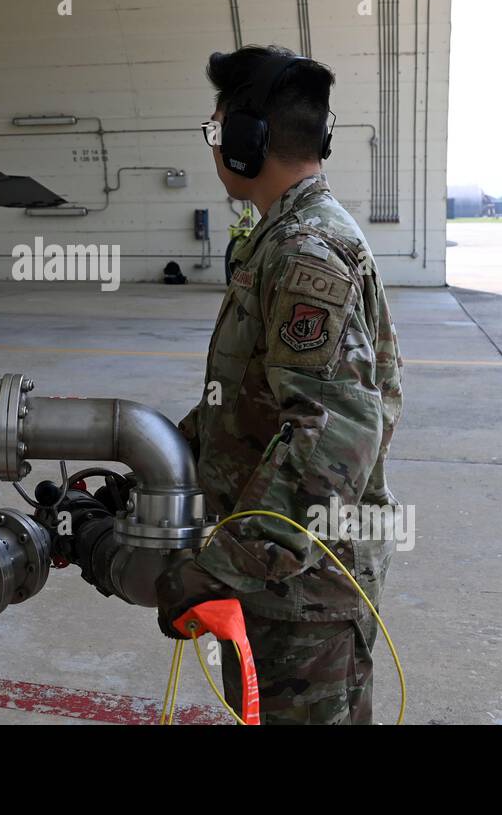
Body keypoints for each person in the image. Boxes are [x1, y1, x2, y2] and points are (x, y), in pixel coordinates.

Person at [155, 45, 404, 725]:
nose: (216, 146)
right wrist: (157, 464)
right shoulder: (283, 237)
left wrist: (222, 566)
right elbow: (247, 406)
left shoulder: (304, 254)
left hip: (304, 598)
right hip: (277, 587)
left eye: (217, 130)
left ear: (244, 140)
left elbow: (331, 440)